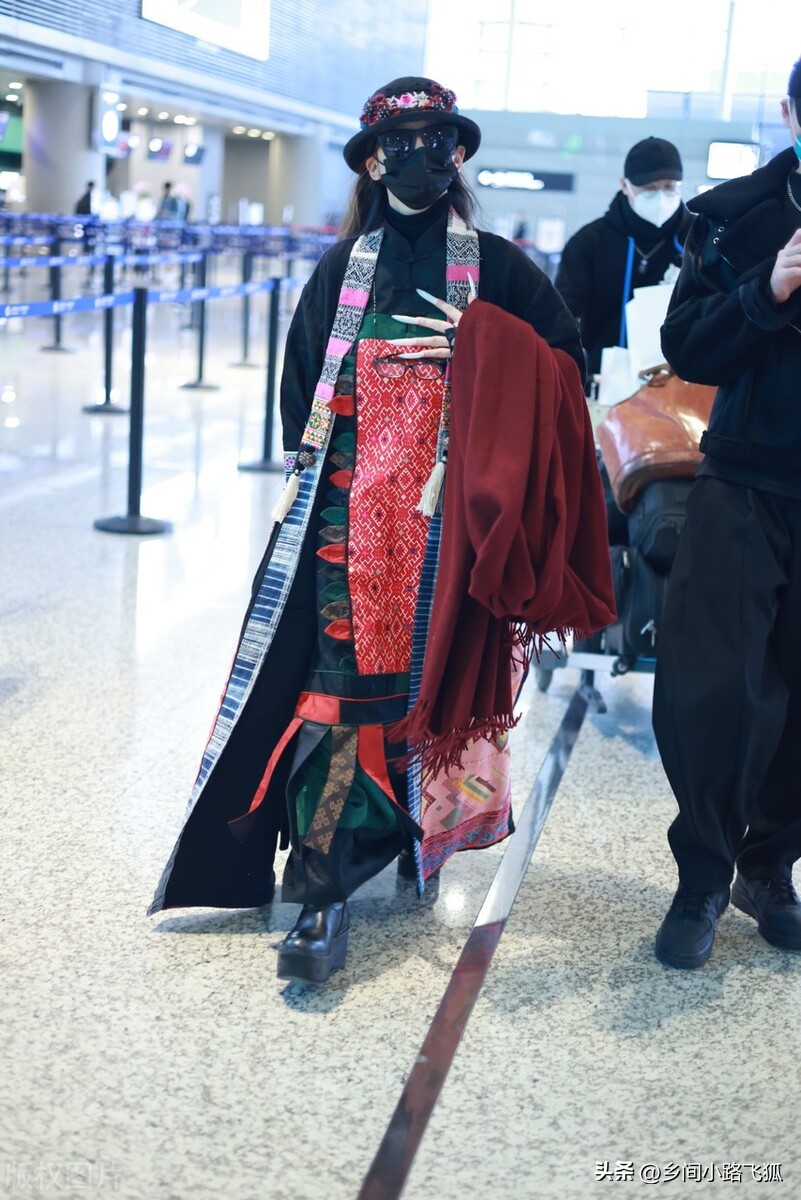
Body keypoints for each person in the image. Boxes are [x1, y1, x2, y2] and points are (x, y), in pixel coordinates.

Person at [149, 76, 616, 984]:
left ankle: (404, 836)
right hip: (346, 538)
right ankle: (321, 890)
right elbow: (300, 407)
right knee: (337, 705)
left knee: (420, 695)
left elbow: (566, 367)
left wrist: (484, 345)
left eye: (437, 139)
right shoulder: (341, 269)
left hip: (449, 541)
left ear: (458, 152)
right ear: (372, 158)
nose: (421, 155)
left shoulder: (499, 266)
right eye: (401, 141)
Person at [653, 56, 801, 969]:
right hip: (745, 481)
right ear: (790, 110)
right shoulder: (732, 214)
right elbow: (686, 345)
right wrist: (769, 289)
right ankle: (702, 876)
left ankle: (768, 867)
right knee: (716, 693)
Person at [555, 137, 693, 386]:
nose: (661, 196)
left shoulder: (698, 237)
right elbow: (562, 311)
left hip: (682, 382)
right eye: (649, 188)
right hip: (603, 378)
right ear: (625, 185)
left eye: (669, 186)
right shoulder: (590, 242)